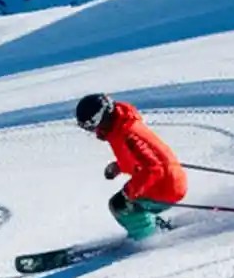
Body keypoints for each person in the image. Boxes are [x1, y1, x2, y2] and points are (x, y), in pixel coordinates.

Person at [75, 93, 187, 240]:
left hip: (167, 186)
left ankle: (149, 237)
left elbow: (153, 168)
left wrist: (128, 193)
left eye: (90, 126)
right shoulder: (120, 126)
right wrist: (119, 166)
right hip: (167, 178)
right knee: (126, 204)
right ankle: (153, 226)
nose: (93, 131)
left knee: (120, 206)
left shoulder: (128, 134)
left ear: (101, 118)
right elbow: (136, 160)